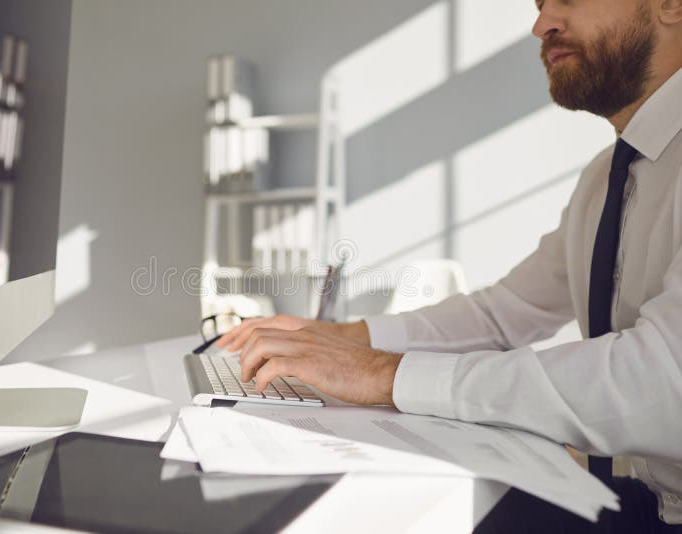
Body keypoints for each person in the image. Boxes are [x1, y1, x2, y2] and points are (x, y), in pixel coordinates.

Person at [215, 0, 682, 532]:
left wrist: (383, 374)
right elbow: (502, 316)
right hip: (649, 499)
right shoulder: (605, 178)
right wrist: (339, 339)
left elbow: (663, 381)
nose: (541, 24)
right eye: (539, 4)